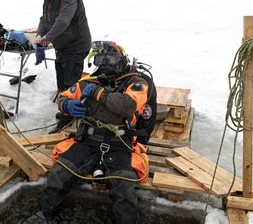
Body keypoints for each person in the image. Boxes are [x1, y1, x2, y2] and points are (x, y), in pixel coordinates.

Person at [26, 41, 156, 224]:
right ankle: (47, 216)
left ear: (122, 59)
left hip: (120, 143)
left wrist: (98, 93)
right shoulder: (87, 81)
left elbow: (127, 105)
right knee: (58, 175)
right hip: (87, 139)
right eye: (100, 59)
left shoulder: (137, 83)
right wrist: (67, 106)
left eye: (110, 58)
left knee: (124, 187)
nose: (106, 63)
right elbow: (64, 97)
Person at [34, 0, 92, 93]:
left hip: (76, 46)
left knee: (70, 86)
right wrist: (39, 33)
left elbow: (63, 21)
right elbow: (44, 18)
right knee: (61, 82)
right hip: (62, 47)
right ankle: (63, 103)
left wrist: (48, 37)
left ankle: (71, 109)